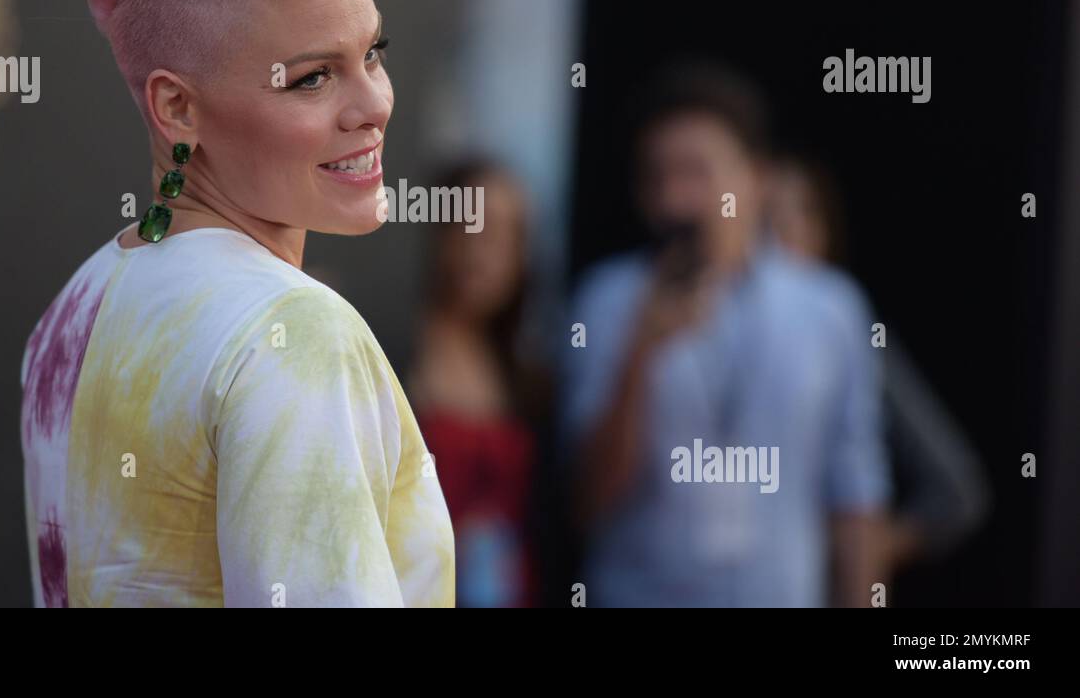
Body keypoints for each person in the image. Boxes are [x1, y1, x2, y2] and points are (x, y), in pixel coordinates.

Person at [19, 0, 455, 607]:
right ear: (178, 110)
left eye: (372, 55)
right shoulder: (294, 334)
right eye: (313, 77)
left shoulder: (73, 311)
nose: (373, 105)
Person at [562, 59, 890, 607]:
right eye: (657, 176)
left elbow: (855, 494)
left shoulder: (829, 310)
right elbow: (586, 503)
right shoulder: (606, 302)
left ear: (756, 179)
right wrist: (639, 354)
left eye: (696, 172)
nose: (674, 200)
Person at [765, 156, 989, 575]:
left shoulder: (850, 333)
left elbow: (955, 491)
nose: (775, 239)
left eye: (796, 214)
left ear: (824, 232)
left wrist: (849, 561)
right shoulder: (693, 331)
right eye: (760, 221)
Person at [406, 160, 551, 607]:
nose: (486, 248)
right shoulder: (390, 344)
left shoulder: (527, 374)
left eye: (507, 234)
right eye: (473, 223)